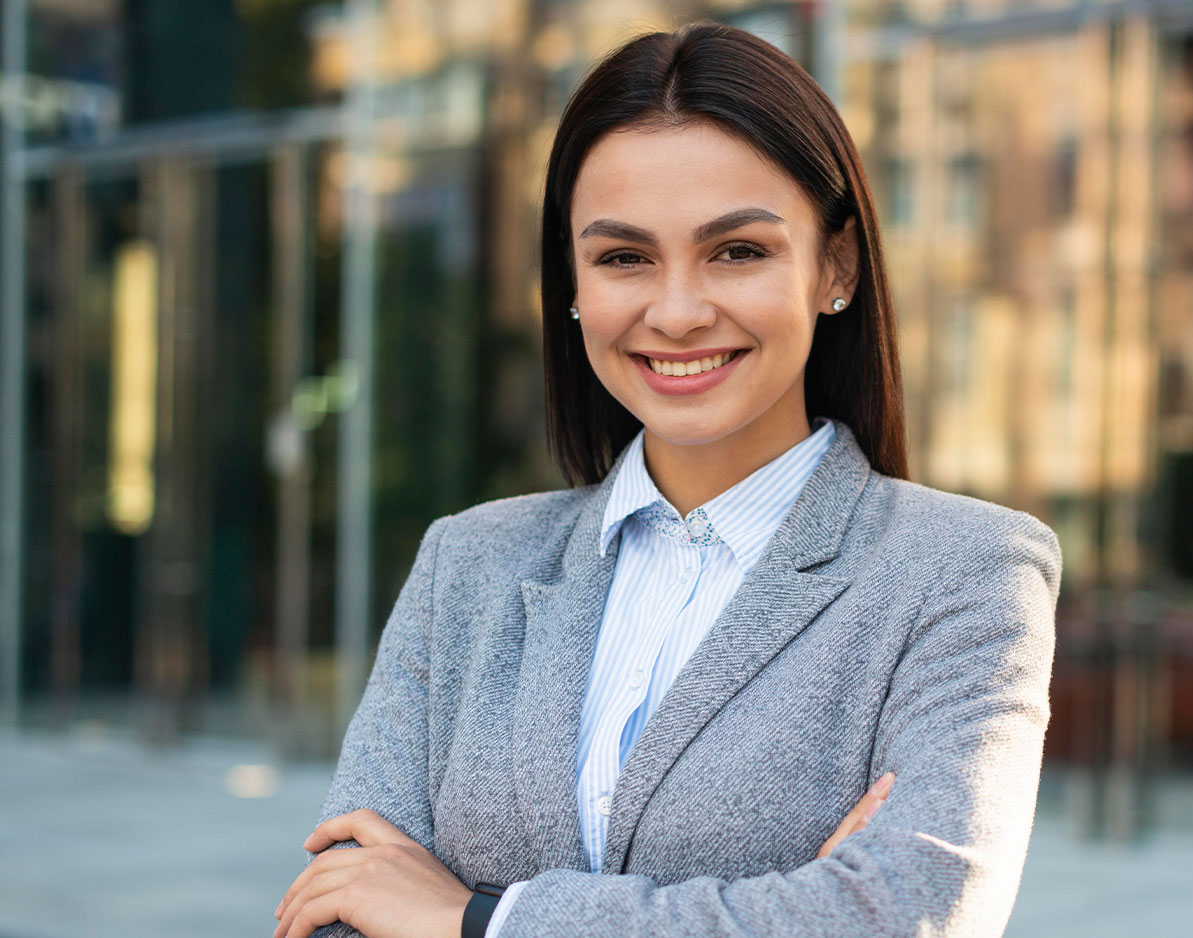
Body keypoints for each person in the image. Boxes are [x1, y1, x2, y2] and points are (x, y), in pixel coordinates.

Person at [274, 20, 1061, 938]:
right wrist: (782, 905)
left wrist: (479, 917)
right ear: (572, 283)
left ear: (834, 266)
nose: (678, 311)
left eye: (737, 251)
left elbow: (908, 916)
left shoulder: (966, 570)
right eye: (623, 257)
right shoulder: (467, 564)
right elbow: (338, 911)